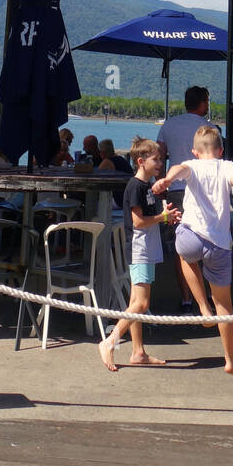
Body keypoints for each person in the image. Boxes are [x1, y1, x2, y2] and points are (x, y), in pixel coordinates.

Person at [153, 125, 233, 376]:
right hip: (220, 245)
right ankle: (231, 361)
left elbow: (180, 169)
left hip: (192, 238)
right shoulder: (227, 166)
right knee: (225, 306)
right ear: (220, 150)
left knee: (183, 255)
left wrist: (168, 179)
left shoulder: (192, 164)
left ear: (194, 151)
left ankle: (201, 306)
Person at [98, 138, 181, 372]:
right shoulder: (135, 186)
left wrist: (165, 213)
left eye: (161, 159)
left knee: (136, 302)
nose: (160, 163)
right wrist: (163, 218)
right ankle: (110, 341)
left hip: (146, 248)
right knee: (142, 303)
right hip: (139, 248)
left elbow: (151, 215)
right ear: (141, 162)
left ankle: (138, 351)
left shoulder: (147, 187)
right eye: (156, 159)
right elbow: (138, 221)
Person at [157, 86, 220, 309]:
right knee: (210, 241)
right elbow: (216, 165)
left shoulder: (169, 125)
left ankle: (186, 297)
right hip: (202, 192)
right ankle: (210, 295)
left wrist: (161, 183)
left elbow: (159, 157)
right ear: (203, 102)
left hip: (175, 189)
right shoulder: (209, 129)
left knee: (181, 246)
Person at [97, 138, 132, 209]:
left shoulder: (107, 162)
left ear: (102, 152)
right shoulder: (122, 159)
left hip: (118, 201)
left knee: (90, 204)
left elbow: (96, 179)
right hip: (128, 199)